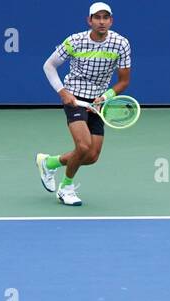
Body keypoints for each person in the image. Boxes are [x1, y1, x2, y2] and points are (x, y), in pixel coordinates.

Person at [36, 3, 132, 207]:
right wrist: (63, 92)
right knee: (83, 146)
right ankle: (66, 188)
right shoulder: (75, 41)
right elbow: (49, 66)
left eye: (106, 18)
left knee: (91, 156)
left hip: (99, 103)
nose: (102, 21)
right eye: (97, 17)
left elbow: (123, 81)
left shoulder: (121, 43)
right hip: (75, 98)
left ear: (111, 21)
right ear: (89, 21)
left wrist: (105, 97)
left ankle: (49, 162)